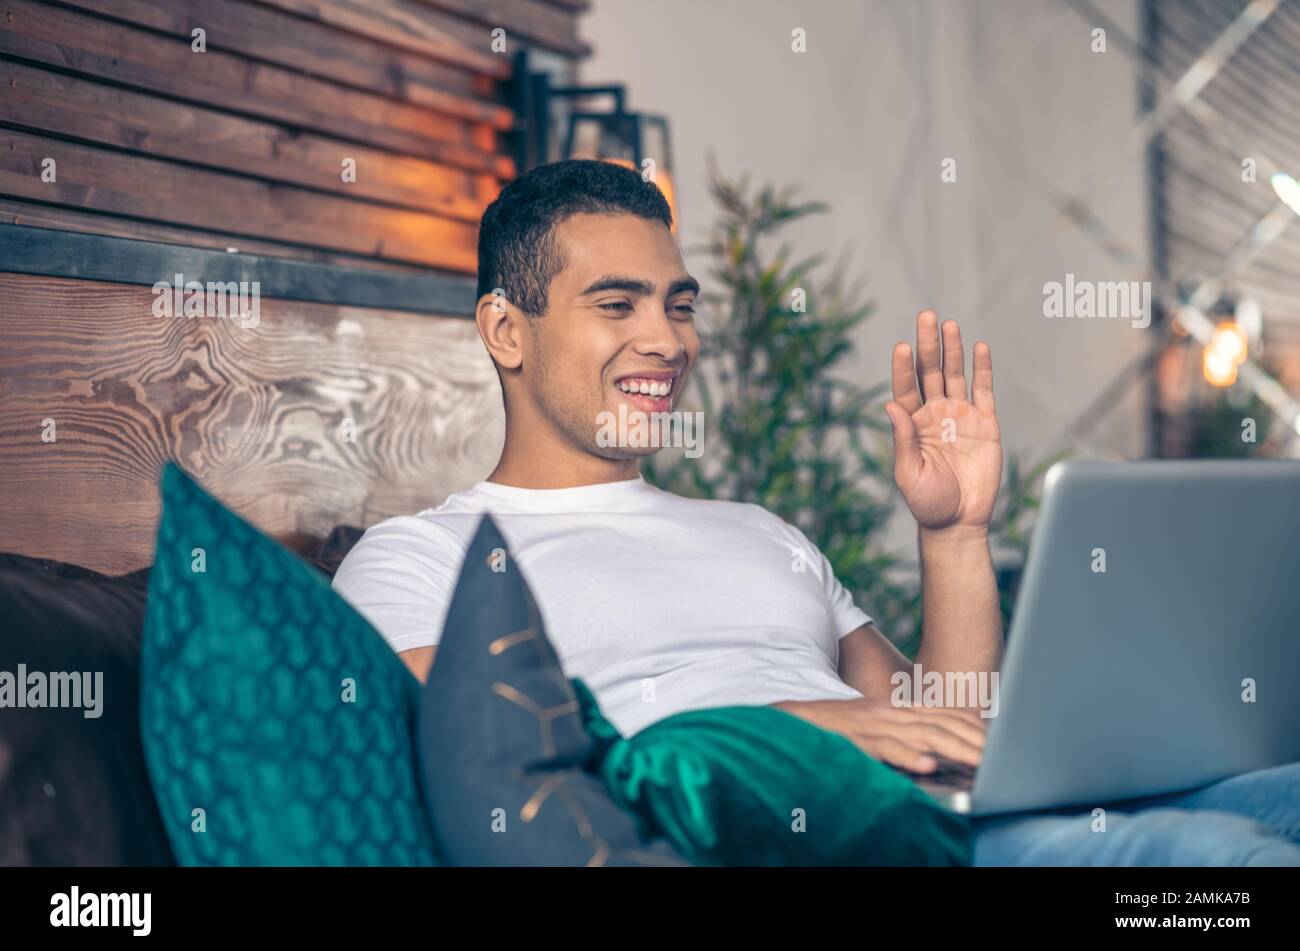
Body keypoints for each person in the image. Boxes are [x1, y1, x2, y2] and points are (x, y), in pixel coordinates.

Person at [332, 159, 1299, 865]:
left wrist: (954, 535)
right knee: (1207, 861)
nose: (666, 340)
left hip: (943, 813)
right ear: (506, 328)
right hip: (814, 837)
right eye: (617, 306)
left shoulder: (759, 533)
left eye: (679, 304)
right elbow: (472, 766)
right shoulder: (420, 558)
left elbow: (946, 728)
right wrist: (805, 724)